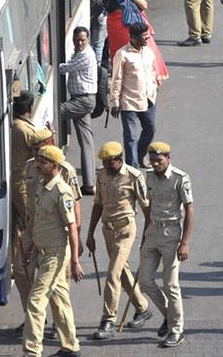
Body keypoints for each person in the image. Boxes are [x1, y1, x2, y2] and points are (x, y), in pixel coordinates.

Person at [21, 128, 83, 340]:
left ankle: (32, 351)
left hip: (55, 252)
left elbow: (72, 223)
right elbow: (36, 216)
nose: (37, 165)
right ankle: (70, 345)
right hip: (40, 243)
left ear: (54, 166)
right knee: (59, 298)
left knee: (36, 301)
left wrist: (75, 259)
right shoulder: (41, 183)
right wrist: (28, 245)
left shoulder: (62, 188)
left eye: (42, 161)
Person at [86, 142, 152, 339]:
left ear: (119, 159)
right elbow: (97, 204)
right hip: (108, 231)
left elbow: (147, 208)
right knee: (122, 272)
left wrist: (147, 236)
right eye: (104, 163)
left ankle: (108, 320)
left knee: (113, 275)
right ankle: (142, 307)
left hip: (125, 230)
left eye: (110, 162)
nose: (107, 166)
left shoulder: (134, 176)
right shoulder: (101, 175)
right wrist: (90, 233)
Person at [140, 141, 194, 348]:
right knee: (145, 281)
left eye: (159, 160)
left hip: (172, 234)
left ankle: (176, 330)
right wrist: (145, 234)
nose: (155, 164)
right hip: (152, 231)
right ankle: (168, 315)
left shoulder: (181, 178)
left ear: (168, 159)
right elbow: (150, 205)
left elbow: (189, 210)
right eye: (152, 160)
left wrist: (184, 242)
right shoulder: (149, 176)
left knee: (170, 284)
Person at [105, 0, 170, 82]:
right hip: (127, 26)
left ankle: (121, 78)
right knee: (139, 51)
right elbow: (144, 5)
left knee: (118, 53)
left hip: (113, 27)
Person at [111, 24, 160, 168]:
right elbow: (116, 79)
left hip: (149, 99)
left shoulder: (149, 52)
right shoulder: (122, 54)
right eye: (144, 37)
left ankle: (139, 156)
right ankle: (133, 168)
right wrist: (115, 102)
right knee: (130, 137)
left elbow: (152, 72)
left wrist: (154, 85)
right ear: (134, 37)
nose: (148, 39)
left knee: (150, 130)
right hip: (129, 101)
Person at [59, 27, 98, 195]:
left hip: (83, 101)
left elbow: (63, 69)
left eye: (83, 40)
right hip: (80, 99)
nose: (80, 43)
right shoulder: (79, 51)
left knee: (56, 112)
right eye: (77, 40)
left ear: (88, 39)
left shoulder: (85, 55)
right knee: (86, 142)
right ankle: (89, 184)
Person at [11, 91, 39, 313]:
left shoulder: (13, 126)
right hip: (22, 187)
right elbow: (44, 153)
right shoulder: (26, 130)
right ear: (29, 109)